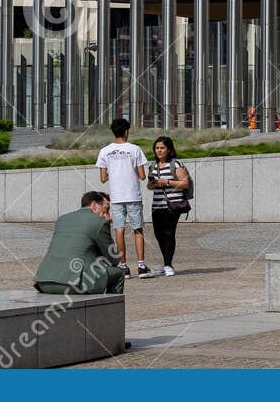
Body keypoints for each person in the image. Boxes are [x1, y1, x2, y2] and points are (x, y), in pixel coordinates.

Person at [33, 192, 125, 295]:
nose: (107, 215)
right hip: (73, 284)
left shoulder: (62, 219)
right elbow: (113, 259)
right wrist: (106, 226)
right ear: (94, 205)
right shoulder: (99, 222)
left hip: (44, 281)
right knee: (119, 274)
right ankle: (110, 306)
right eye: (105, 210)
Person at [96, 117, 150, 278]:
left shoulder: (104, 151)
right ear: (126, 131)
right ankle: (141, 266)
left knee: (119, 230)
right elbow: (142, 175)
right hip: (133, 195)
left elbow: (103, 178)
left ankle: (124, 266)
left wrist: (115, 171)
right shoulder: (135, 149)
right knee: (138, 229)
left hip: (116, 196)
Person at [145, 136, 190, 278]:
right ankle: (166, 264)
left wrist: (167, 182)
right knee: (159, 235)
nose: (159, 150)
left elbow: (185, 183)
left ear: (169, 149)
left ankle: (168, 264)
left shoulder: (176, 164)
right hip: (157, 205)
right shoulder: (152, 165)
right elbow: (149, 187)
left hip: (173, 204)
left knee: (169, 233)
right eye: (157, 148)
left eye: (162, 148)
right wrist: (152, 184)